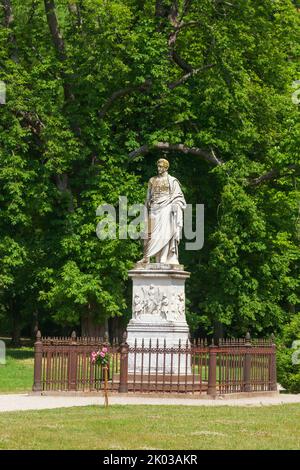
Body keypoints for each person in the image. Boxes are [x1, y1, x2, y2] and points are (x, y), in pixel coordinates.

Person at [138, 158, 186, 264]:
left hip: (166, 208)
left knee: (165, 233)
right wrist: (147, 206)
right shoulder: (152, 180)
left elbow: (179, 197)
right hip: (154, 208)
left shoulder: (172, 180)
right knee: (149, 233)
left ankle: (163, 258)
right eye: (158, 166)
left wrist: (176, 205)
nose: (159, 168)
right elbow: (148, 197)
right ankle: (147, 256)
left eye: (161, 167)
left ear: (166, 167)